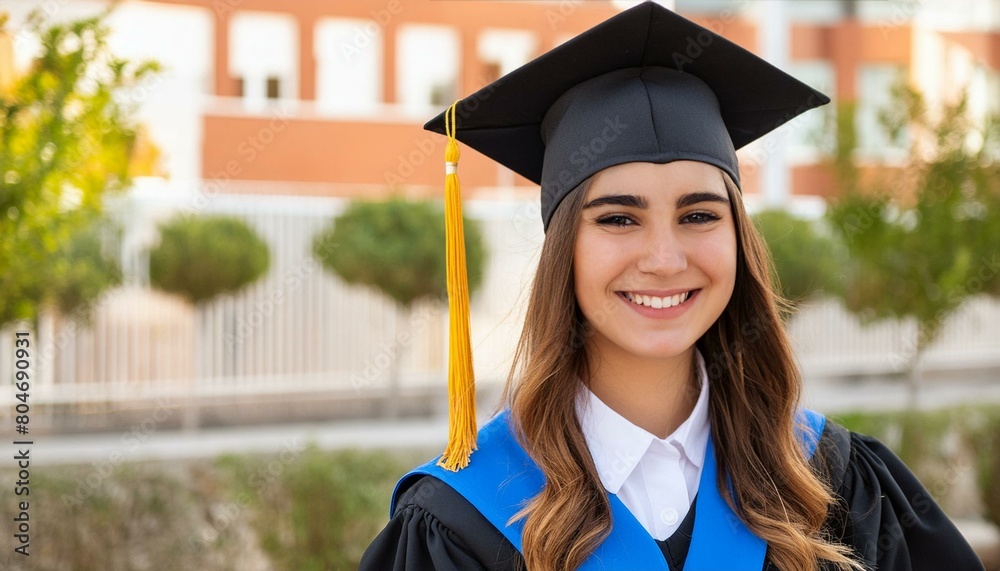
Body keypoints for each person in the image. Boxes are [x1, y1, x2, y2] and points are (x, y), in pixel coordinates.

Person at [360, 3, 985, 570]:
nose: (664, 258)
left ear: (738, 237)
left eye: (699, 215)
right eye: (618, 219)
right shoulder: (464, 519)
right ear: (563, 254)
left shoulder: (832, 481)